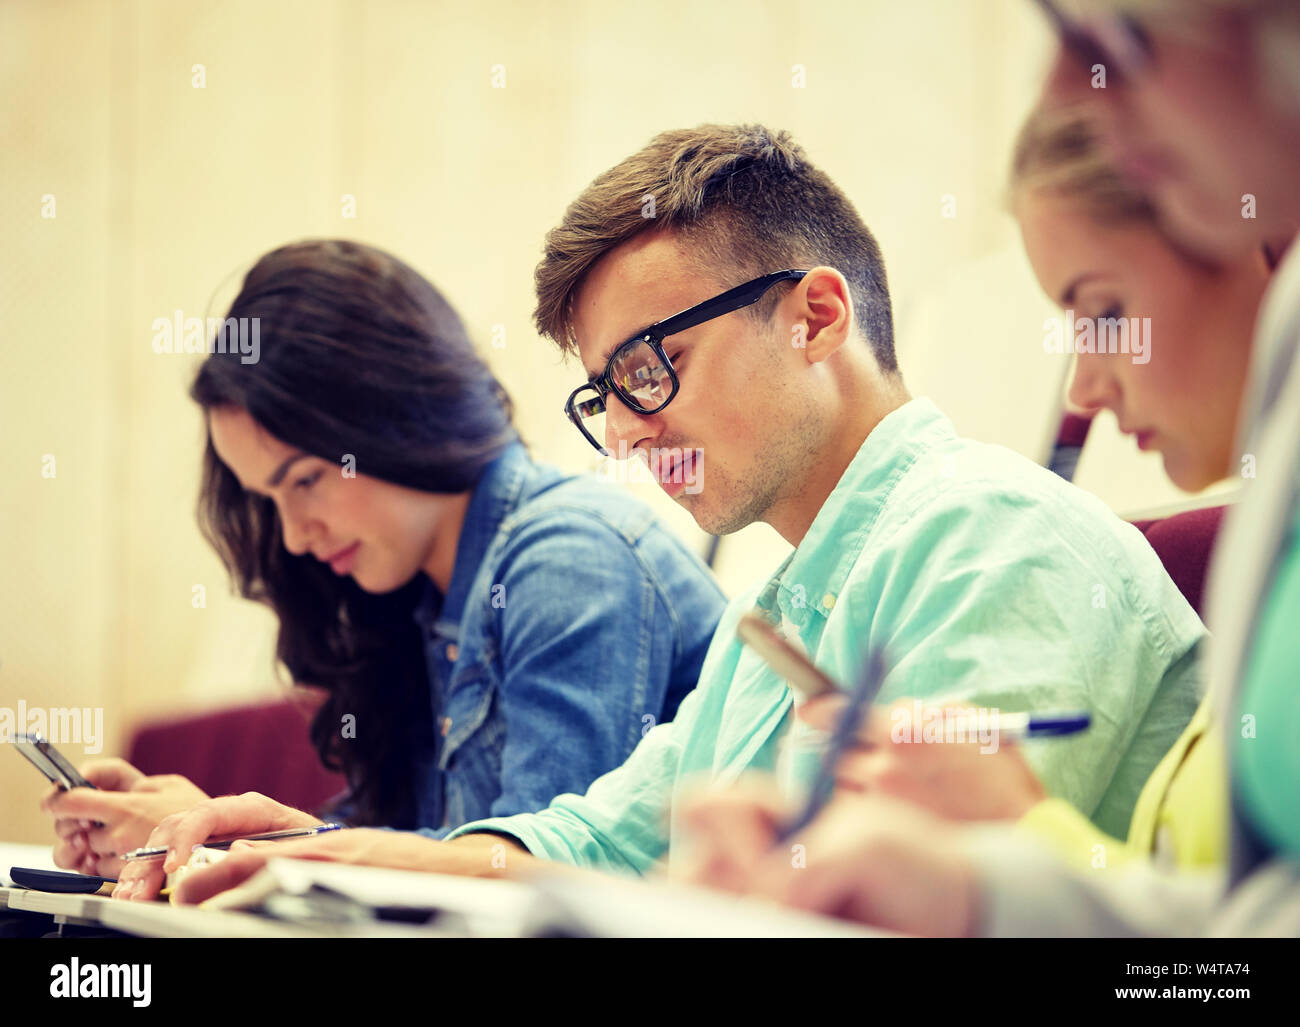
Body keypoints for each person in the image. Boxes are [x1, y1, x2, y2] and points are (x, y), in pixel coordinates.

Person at [117, 124, 1205, 905]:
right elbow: (594, 837)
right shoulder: (776, 611)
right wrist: (312, 852)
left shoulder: (989, 534)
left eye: (650, 369)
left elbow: (905, 907)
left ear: (815, 317)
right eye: (605, 395)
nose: (630, 435)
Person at [679, 0, 1300, 936]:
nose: (1083, 392)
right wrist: (974, 886)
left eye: (1101, 313)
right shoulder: (770, 601)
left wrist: (1018, 840)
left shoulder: (998, 529)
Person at [43, 239, 726, 881]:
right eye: (268, 499)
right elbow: (413, 840)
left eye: (305, 480)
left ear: (397, 416)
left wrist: (254, 850)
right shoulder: (422, 596)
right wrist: (206, 840)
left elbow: (526, 874)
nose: (294, 536)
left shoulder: (569, 559)